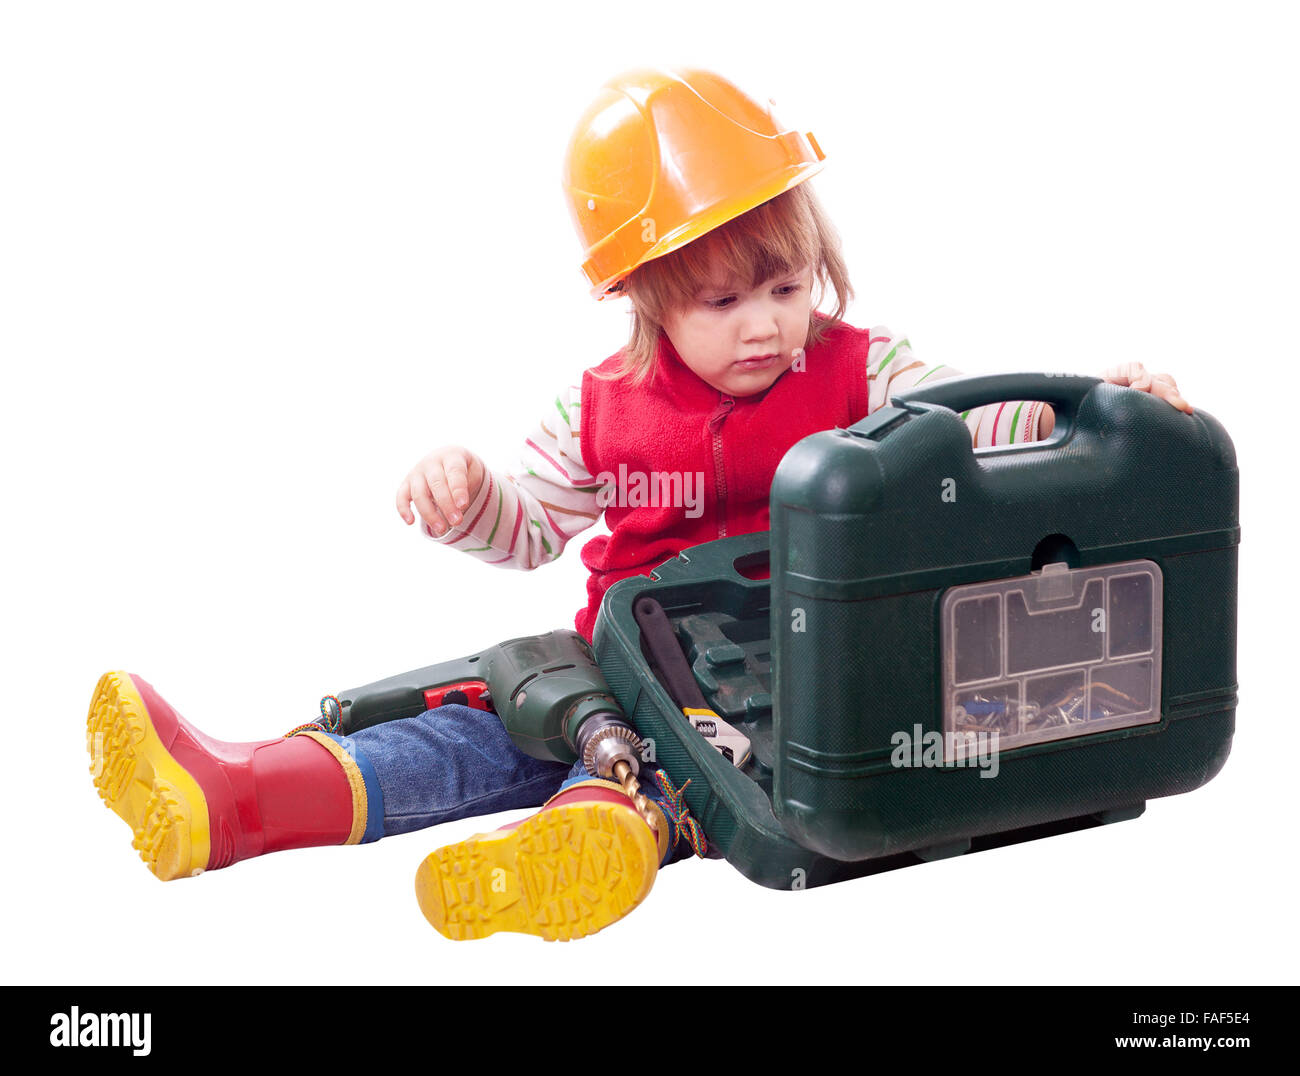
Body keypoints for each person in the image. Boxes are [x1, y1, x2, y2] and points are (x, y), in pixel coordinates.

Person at [88, 67, 1193, 943]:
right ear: (643, 295)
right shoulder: (600, 410)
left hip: (801, 681)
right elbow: (528, 528)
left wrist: (1102, 410)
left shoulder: (864, 369)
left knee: (661, 770)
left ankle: (586, 845)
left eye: (787, 286)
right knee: (491, 722)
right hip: (629, 655)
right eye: (723, 300)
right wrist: (471, 493)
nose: (766, 324)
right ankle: (236, 796)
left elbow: (969, 437)